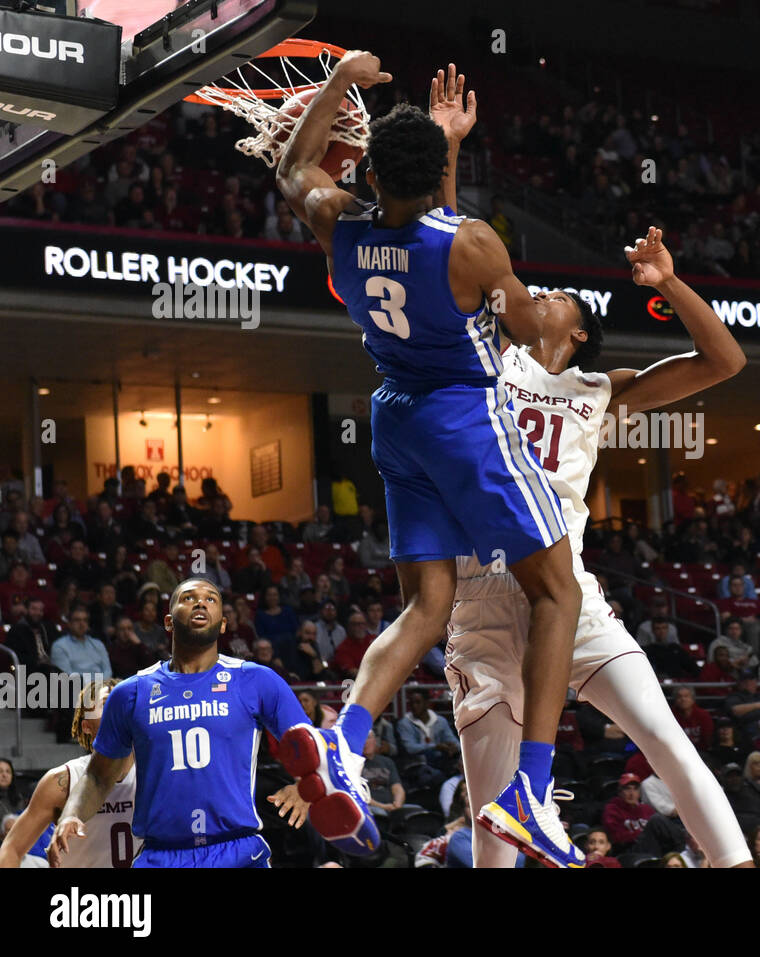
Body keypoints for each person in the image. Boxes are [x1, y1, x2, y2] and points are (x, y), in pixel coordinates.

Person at [277, 55, 586, 867]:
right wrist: (542, 308)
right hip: (466, 419)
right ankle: (530, 789)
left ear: (370, 169)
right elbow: (526, 332)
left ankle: (345, 736)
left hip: (397, 417)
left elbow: (292, 165)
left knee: (426, 607)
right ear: (438, 173)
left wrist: (341, 79)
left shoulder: (337, 218)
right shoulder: (475, 242)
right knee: (558, 591)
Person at [439, 220, 750, 865]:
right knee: (495, 833)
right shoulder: (489, 356)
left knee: (668, 741)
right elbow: (465, 256)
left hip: (569, 592)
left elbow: (725, 361)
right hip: (485, 602)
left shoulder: (602, 389)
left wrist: (668, 283)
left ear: (580, 333)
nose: (539, 296)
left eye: (556, 298)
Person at [49, 578, 320, 866]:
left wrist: (306, 785)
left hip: (236, 850)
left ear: (224, 624)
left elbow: (311, 745)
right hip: (161, 855)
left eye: (211, 599)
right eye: (189, 598)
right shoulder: (130, 692)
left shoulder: (255, 679)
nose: (201, 602)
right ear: (168, 622)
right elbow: (97, 776)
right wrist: (71, 814)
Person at [0, 680, 141, 868]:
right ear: (86, 727)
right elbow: (12, 849)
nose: (117, 710)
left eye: (122, 703)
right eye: (107, 703)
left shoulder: (156, 771)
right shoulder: (62, 780)